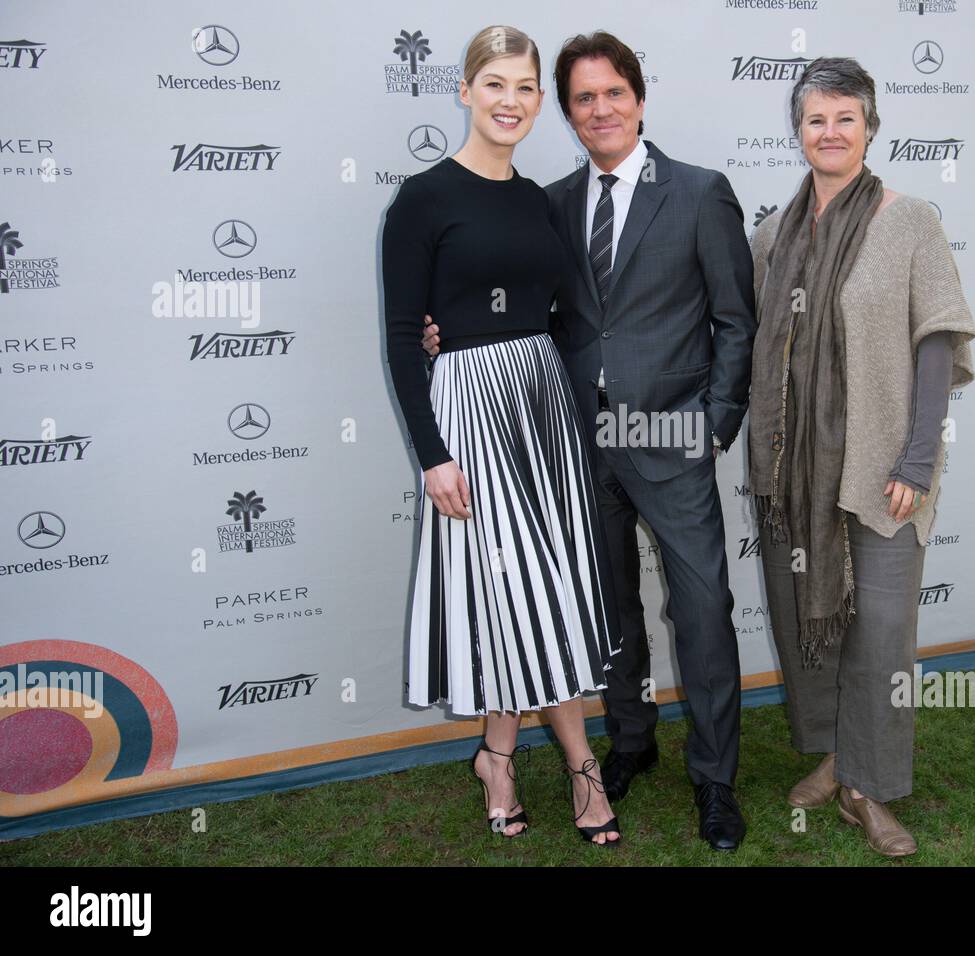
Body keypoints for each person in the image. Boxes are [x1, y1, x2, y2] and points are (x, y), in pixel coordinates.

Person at [424, 31, 756, 851]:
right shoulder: (553, 203)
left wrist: (712, 429)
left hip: (672, 437)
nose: (599, 109)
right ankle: (630, 743)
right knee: (608, 615)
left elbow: (736, 324)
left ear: (639, 100)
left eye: (613, 93)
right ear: (566, 114)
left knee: (703, 612)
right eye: (582, 98)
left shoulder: (701, 192)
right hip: (573, 440)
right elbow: (529, 311)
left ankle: (715, 781)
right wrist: (447, 333)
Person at [381, 25, 623, 846]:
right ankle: (581, 764)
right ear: (465, 91)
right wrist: (433, 454)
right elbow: (395, 337)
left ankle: (497, 753)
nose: (511, 102)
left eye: (525, 87)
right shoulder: (422, 198)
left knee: (531, 589)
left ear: (539, 101)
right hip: (469, 414)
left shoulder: (536, 199)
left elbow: (549, 310)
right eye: (495, 85)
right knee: (514, 589)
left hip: (541, 408)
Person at [748, 57, 975, 857]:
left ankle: (870, 791)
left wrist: (917, 462)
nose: (831, 131)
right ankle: (839, 758)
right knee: (809, 621)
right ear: (798, 132)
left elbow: (938, 340)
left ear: (870, 130)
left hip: (884, 472)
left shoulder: (908, 219)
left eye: (846, 118)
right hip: (794, 476)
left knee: (881, 632)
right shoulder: (772, 238)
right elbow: (760, 351)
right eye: (816, 119)